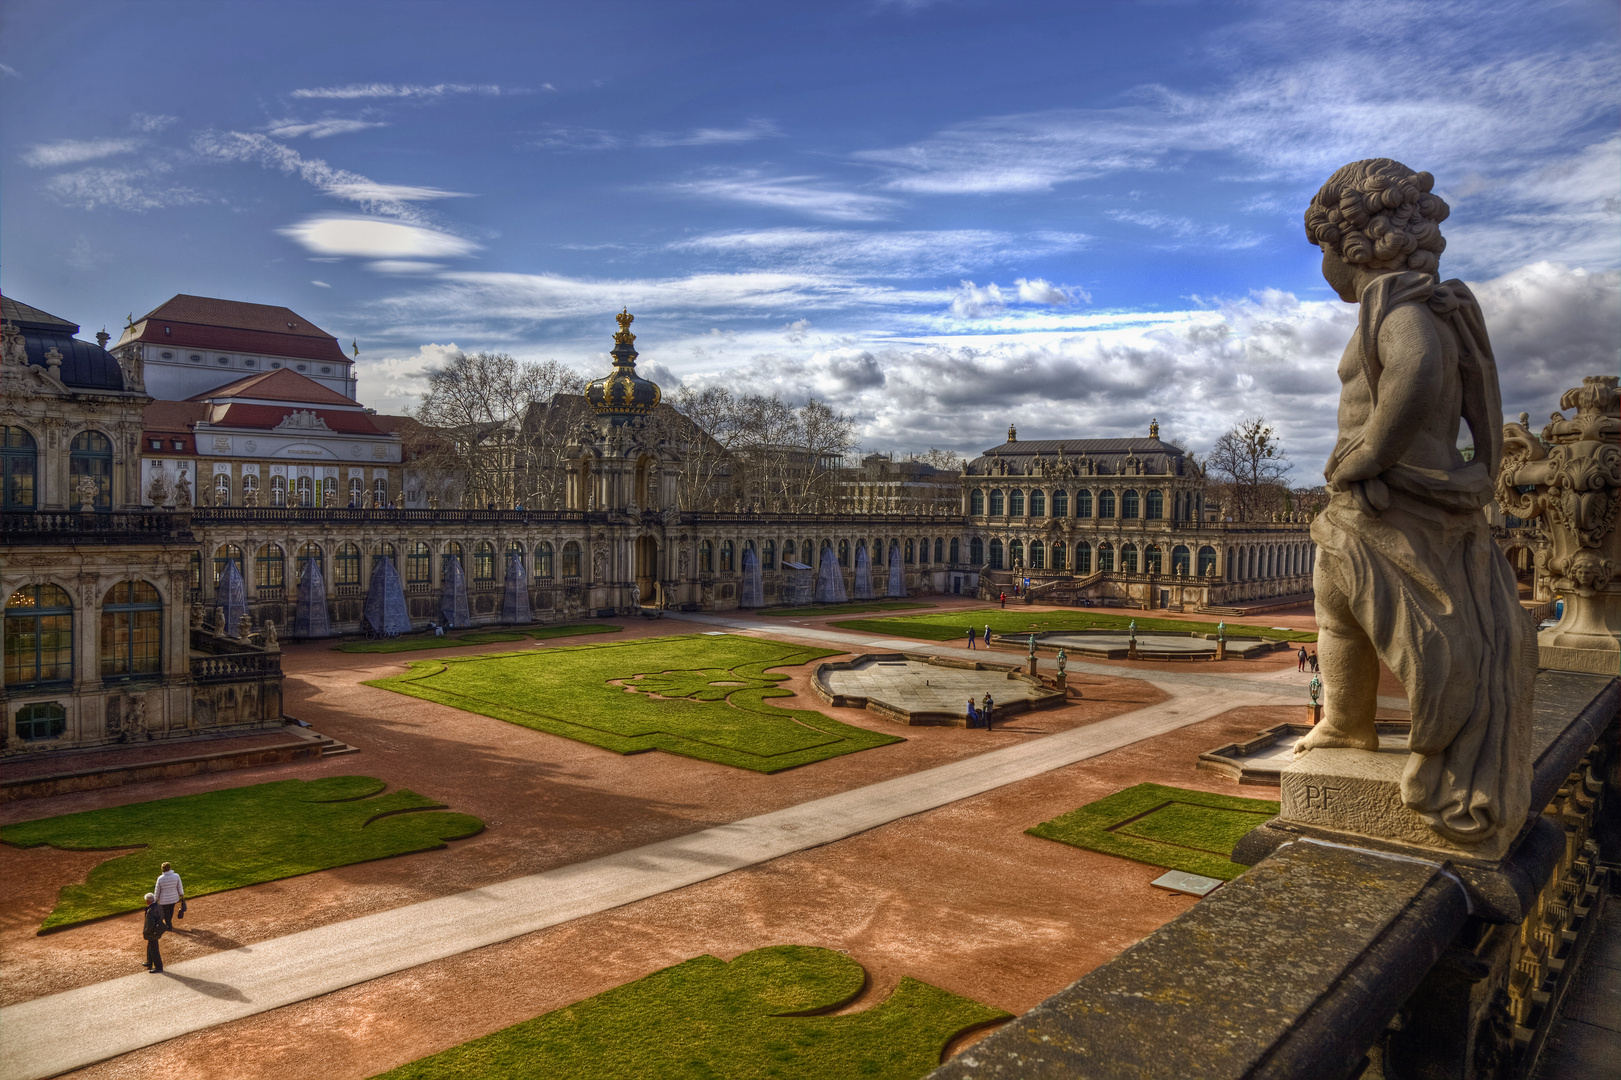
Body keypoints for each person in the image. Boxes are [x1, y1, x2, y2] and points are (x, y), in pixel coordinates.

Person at [154, 862, 184, 929]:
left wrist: (155, 899)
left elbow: (157, 890)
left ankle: (168, 925)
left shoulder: (160, 878)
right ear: (170, 868)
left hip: (164, 900)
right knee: (171, 910)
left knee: (166, 912)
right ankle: (168, 923)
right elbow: (179, 886)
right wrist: (181, 894)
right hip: (174, 898)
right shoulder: (176, 876)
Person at [142, 892, 165, 973]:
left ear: (148, 901)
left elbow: (150, 925)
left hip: (152, 932)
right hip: (157, 929)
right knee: (150, 947)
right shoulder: (159, 906)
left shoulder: (151, 911)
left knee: (154, 949)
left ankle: (158, 967)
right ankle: (149, 962)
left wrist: (145, 932)